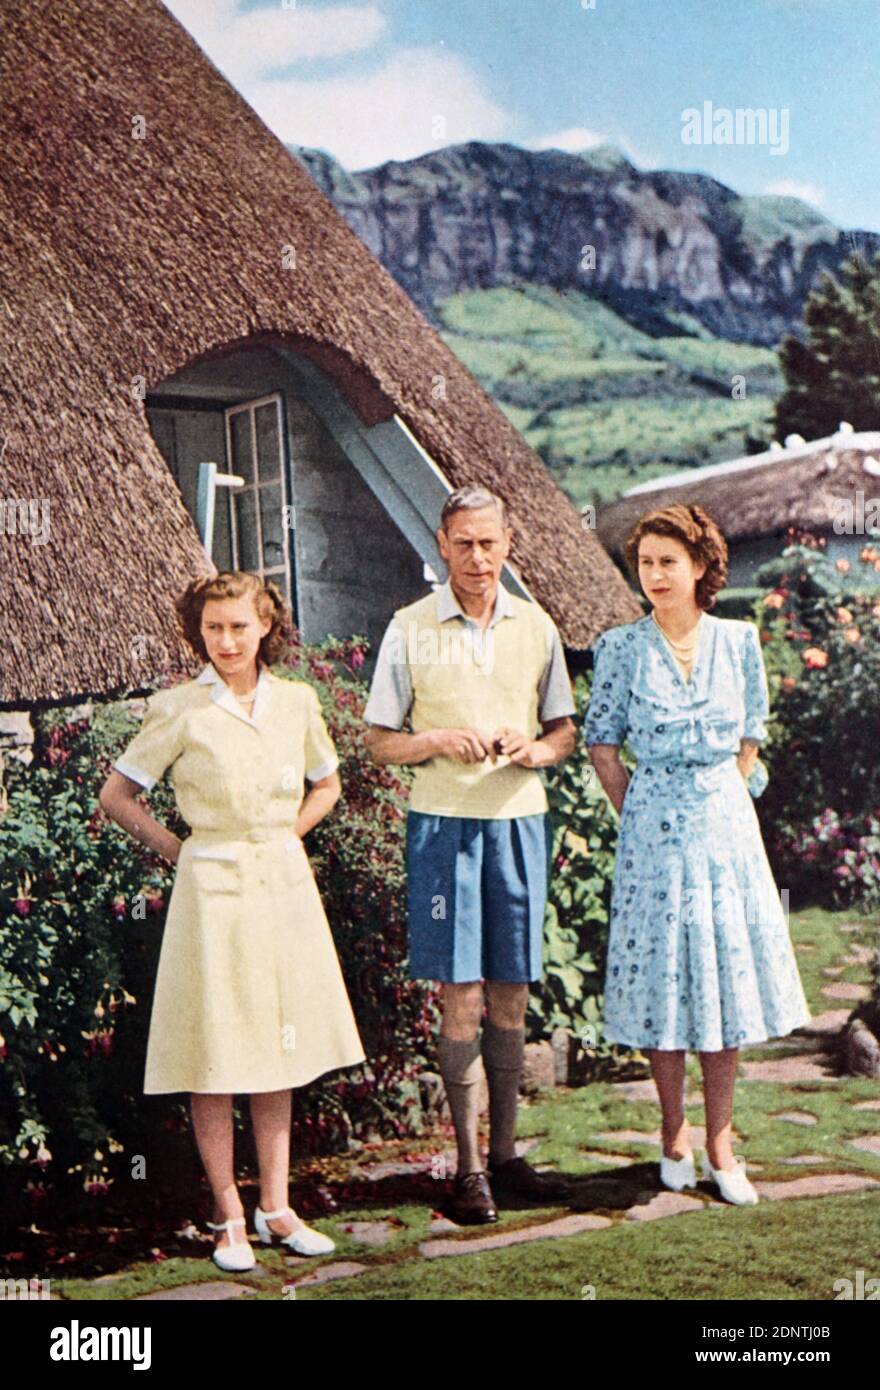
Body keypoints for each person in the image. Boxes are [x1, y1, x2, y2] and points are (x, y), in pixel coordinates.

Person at [99, 571, 365, 1270]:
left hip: (280, 884)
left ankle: (277, 1207)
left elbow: (328, 782)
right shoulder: (179, 707)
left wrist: (289, 834)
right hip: (210, 889)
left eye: (239, 627)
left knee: (276, 1048)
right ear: (199, 631)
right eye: (213, 627)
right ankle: (228, 1217)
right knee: (214, 1053)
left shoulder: (297, 703)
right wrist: (179, 851)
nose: (225, 640)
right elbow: (118, 794)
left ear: (265, 627)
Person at [584, 503, 810, 1206]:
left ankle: (721, 1140)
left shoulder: (738, 642)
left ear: (703, 566)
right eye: (645, 563)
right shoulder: (621, 647)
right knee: (664, 978)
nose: (654, 575)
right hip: (652, 829)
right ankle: (672, 1132)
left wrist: (722, 799)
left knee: (724, 978)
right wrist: (642, 811)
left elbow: (750, 733)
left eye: (667, 562)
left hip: (724, 828)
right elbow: (601, 742)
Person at [363, 485, 577, 1224]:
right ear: (442, 544)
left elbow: (564, 731)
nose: (478, 558)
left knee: (512, 986)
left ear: (508, 543)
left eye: (489, 543)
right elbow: (378, 740)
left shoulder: (537, 626)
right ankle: (465, 1167)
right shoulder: (410, 627)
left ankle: (508, 1155)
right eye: (464, 544)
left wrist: (536, 749)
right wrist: (434, 741)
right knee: (458, 992)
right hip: (442, 828)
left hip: (518, 821)